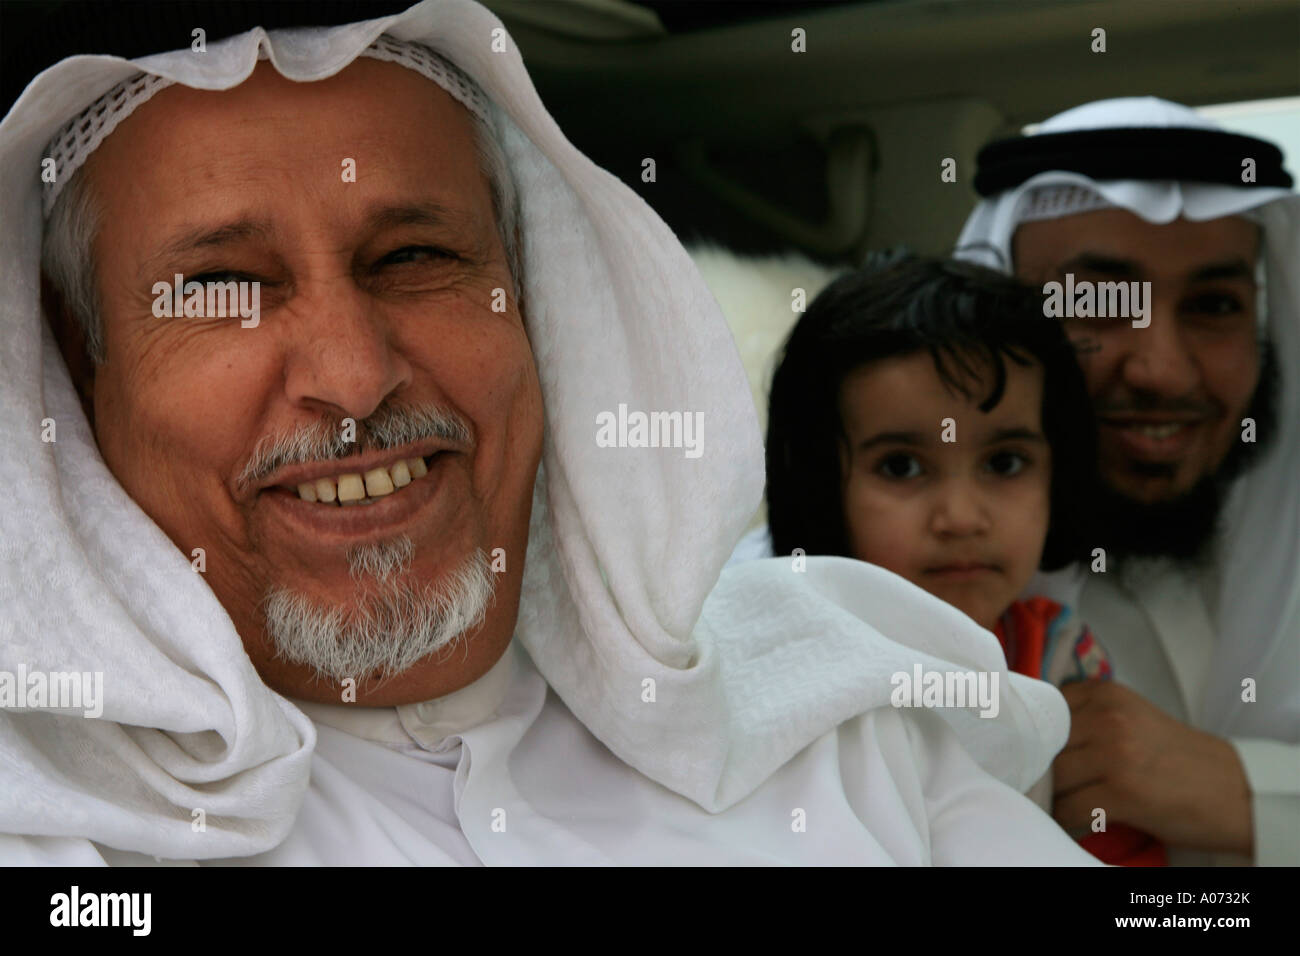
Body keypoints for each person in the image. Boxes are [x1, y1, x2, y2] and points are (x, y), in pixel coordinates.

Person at [0, 0, 1098, 865]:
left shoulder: (845, 711)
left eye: (414, 258)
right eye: (227, 285)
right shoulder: (59, 832)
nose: (353, 376)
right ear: (73, 365)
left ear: (533, 303)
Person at [956, 96, 1300, 866]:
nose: (1161, 370)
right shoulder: (852, 591)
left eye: (1214, 305)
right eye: (1100, 303)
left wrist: (1245, 794)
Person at [765, 253, 1165, 865]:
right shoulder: (783, 654)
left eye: (1004, 463)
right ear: (821, 487)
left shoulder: (1058, 661)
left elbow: (1115, 850)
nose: (961, 516)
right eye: (901, 465)